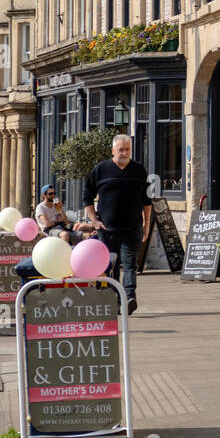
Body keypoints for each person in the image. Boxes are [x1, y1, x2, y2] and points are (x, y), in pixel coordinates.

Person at [83, 135, 151, 316]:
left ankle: (129, 298)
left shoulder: (138, 170)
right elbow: (87, 196)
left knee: (130, 265)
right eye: (121, 149)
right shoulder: (101, 170)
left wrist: (146, 223)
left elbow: (146, 200)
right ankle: (113, 299)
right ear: (113, 150)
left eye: (127, 149)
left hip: (132, 228)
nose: (124, 153)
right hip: (107, 230)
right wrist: (94, 220)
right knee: (110, 266)